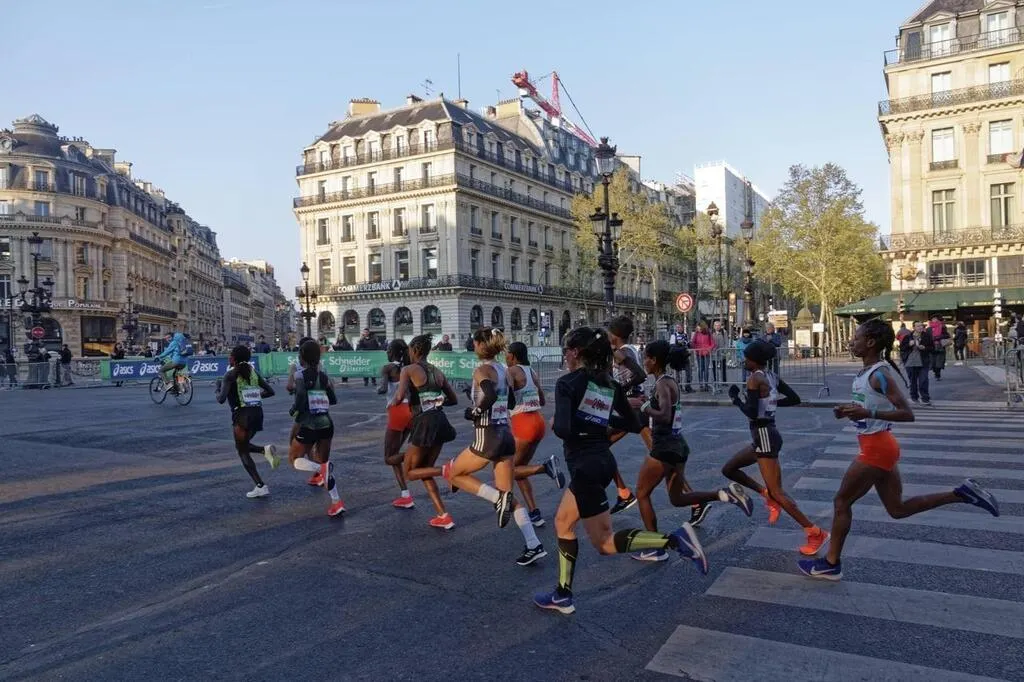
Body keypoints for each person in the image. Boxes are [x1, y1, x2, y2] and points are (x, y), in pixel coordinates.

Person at [800, 319, 999, 581]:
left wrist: (867, 412)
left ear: (870, 342)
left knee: (841, 502)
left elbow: (907, 413)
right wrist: (851, 411)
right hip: (880, 446)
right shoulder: (867, 371)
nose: (851, 342)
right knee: (898, 510)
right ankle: (962, 494)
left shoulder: (879, 374)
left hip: (876, 449)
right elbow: (867, 405)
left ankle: (831, 563)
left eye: (856, 337)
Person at [532, 327, 707, 615]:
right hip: (602, 461)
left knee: (604, 542)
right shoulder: (609, 384)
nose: (565, 354)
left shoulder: (567, 384)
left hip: (585, 465)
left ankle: (674, 540)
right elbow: (633, 422)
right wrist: (598, 422)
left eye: (567, 349)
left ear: (576, 352)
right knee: (563, 522)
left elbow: (563, 429)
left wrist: (562, 422)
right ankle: (563, 593)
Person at [631, 341, 753, 561]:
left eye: (646, 358)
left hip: (664, 447)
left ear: (654, 360)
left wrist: (643, 407)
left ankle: (655, 547)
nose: (644, 362)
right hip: (678, 445)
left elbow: (665, 415)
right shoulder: (669, 381)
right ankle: (723, 493)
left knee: (641, 494)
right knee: (677, 499)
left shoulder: (661, 383)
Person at [441, 328, 547, 566]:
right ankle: (533, 544)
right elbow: (509, 400)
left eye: (475, 343)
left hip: (487, 435)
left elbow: (488, 394)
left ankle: (497, 499)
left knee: (455, 474)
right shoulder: (504, 370)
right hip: (506, 433)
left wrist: (474, 411)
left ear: (480, 345)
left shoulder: (482, 370)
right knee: (509, 494)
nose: (474, 346)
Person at [721, 340, 830, 554]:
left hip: (764, 435)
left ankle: (814, 532)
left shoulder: (754, 378)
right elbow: (794, 398)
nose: (744, 360)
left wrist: (735, 398)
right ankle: (766, 494)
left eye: (746, 357)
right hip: (767, 433)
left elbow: (751, 413)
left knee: (779, 492)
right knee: (729, 469)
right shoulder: (771, 376)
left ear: (754, 360)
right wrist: (770, 404)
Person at [389, 334, 460, 530]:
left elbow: (399, 397)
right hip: (440, 420)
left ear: (414, 350)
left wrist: (392, 401)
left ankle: (448, 471)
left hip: (424, 423)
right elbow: (453, 400)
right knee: (424, 469)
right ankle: (443, 515)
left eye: (410, 350)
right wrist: (435, 401)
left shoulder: (408, 369)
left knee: (410, 473)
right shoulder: (437, 371)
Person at [507, 341, 565, 527]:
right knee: (520, 469)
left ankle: (545, 468)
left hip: (523, 422)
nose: (505, 358)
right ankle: (535, 512)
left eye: (507, 354)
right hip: (537, 421)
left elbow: (505, 395)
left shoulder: (512, 371)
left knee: (509, 470)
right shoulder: (531, 372)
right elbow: (541, 399)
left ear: (513, 356)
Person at [288, 340, 344, 517]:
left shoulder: (299, 376)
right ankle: (336, 501)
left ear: (302, 357)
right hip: (326, 423)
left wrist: (294, 409)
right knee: (323, 461)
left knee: (294, 459)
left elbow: (300, 398)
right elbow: (333, 400)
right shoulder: (324, 377)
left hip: (309, 424)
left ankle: (321, 471)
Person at [216, 345, 279, 498]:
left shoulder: (230, 375)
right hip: (257, 413)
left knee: (242, 451)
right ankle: (264, 451)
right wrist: (255, 396)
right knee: (242, 446)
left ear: (234, 358)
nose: (229, 357)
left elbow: (221, 399)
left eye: (230, 355)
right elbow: (270, 391)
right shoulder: (253, 372)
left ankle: (260, 485)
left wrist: (217, 388)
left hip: (242, 416)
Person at [606, 316, 647, 515]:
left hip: (634, 406)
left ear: (614, 335)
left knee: (598, 445)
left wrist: (621, 392)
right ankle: (623, 493)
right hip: (636, 404)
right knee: (601, 446)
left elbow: (640, 375)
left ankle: (624, 493)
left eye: (608, 332)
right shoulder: (628, 349)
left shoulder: (621, 353)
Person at [378, 339, 415, 509]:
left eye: (388, 350)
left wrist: (379, 388)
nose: (386, 352)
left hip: (397, 411)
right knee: (394, 457)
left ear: (392, 352)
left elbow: (383, 389)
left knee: (389, 457)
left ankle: (417, 456)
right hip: (411, 411)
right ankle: (405, 495)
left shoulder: (388, 368)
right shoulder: (409, 368)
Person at [899, 321, 933, 405]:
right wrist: (909, 345)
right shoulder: (908, 337)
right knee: (913, 381)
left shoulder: (927, 336)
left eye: (921, 326)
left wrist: (924, 347)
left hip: (923, 361)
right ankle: (914, 397)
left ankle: (925, 398)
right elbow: (902, 348)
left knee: (923, 380)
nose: (920, 327)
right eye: (918, 326)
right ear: (914, 327)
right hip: (910, 362)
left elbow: (932, 347)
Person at [668, 323, 693, 393]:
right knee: (678, 373)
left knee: (688, 371)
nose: (678, 328)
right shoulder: (673, 336)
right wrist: (679, 344)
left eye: (679, 327)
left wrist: (688, 345)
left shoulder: (685, 335)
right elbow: (672, 346)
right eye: (677, 327)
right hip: (677, 357)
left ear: (682, 328)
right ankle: (679, 387)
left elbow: (688, 344)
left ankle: (688, 386)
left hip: (685, 356)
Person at [691, 321, 715, 392]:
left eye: (699, 328)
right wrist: (696, 349)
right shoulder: (696, 333)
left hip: (706, 354)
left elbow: (713, 343)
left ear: (702, 327)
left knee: (706, 369)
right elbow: (693, 342)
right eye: (697, 328)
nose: (697, 329)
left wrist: (708, 349)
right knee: (700, 369)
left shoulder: (708, 333)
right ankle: (701, 384)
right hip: (699, 354)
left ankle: (706, 384)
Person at [711, 320, 729, 385]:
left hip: (722, 353)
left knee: (723, 368)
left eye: (718, 325)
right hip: (714, 353)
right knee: (714, 368)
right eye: (716, 325)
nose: (717, 327)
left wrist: (725, 351)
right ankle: (715, 381)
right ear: (713, 326)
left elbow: (726, 342)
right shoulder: (711, 333)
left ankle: (724, 381)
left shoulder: (724, 332)